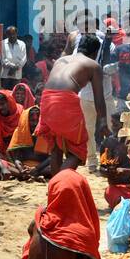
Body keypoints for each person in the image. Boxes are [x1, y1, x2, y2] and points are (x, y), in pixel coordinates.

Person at [37, 34, 106, 174]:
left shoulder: (61, 60)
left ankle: (54, 189)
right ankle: (60, 184)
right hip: (65, 100)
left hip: (46, 99)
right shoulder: (93, 65)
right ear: (95, 52)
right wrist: (103, 122)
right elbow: (99, 100)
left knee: (56, 147)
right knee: (78, 151)